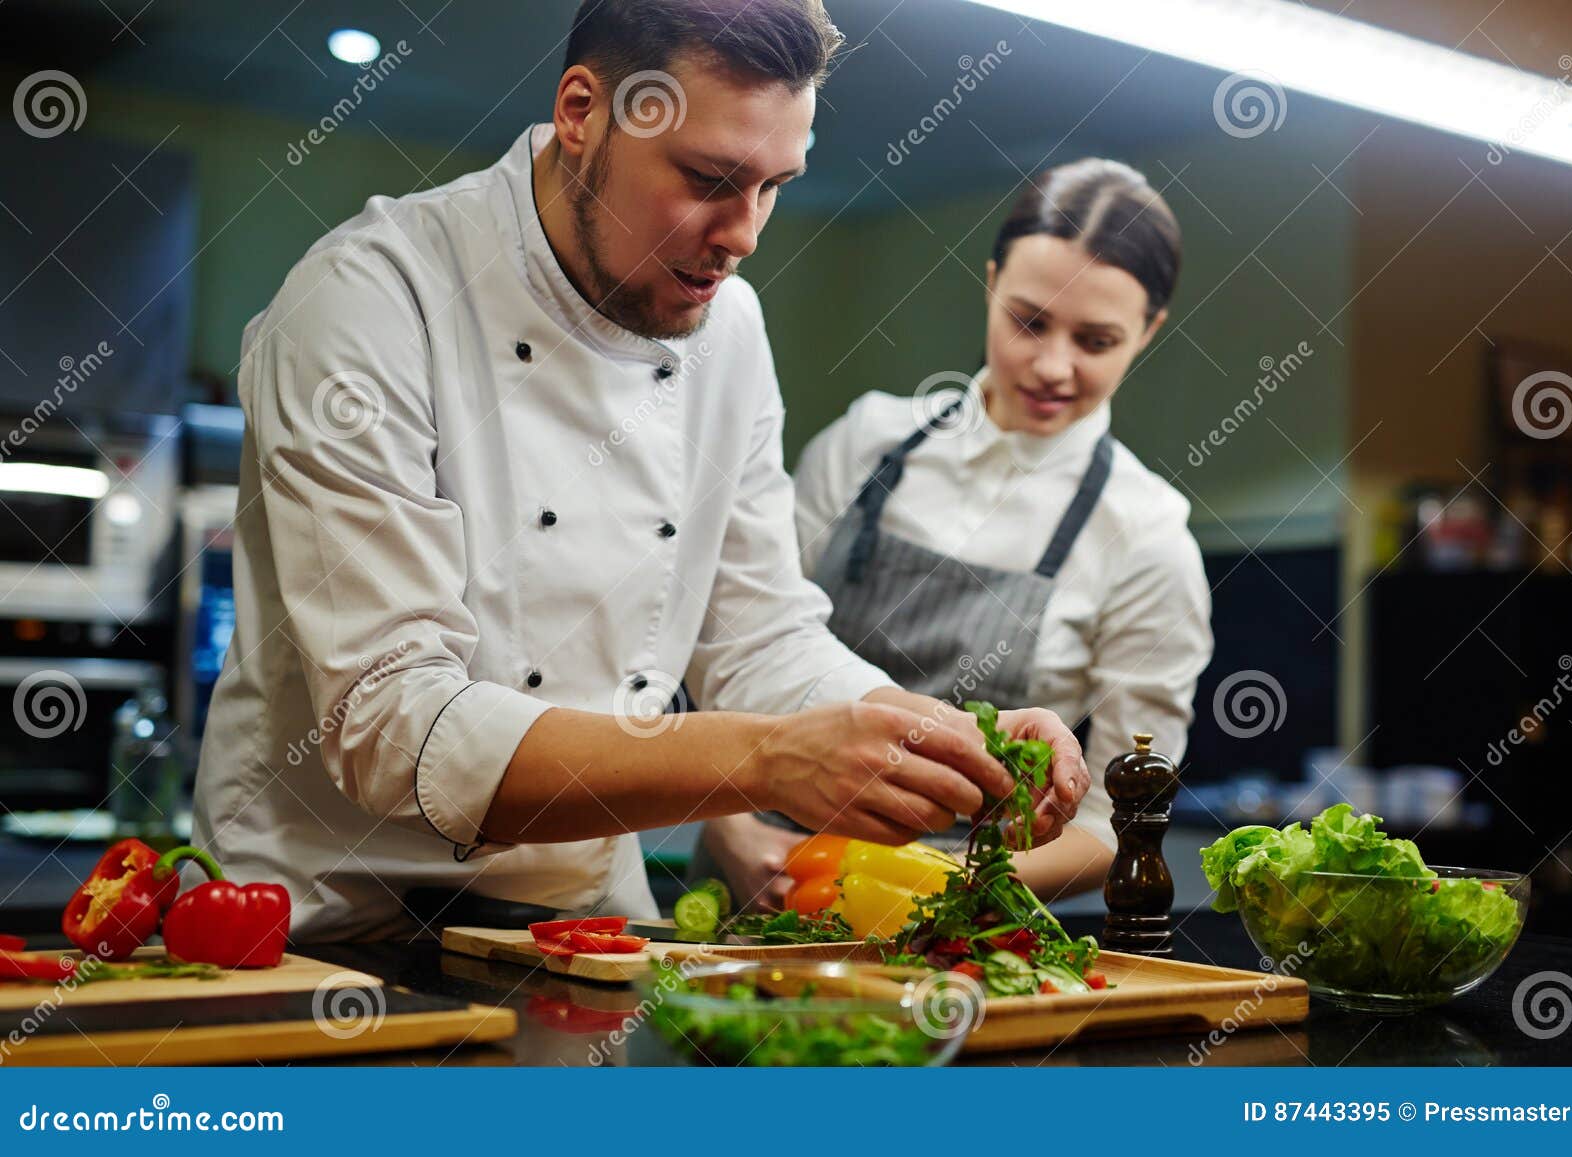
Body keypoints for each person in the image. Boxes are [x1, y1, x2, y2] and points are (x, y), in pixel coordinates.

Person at [191, 0, 1090, 941]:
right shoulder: (370, 301)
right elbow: (392, 724)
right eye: (710, 179)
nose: (744, 235)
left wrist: (950, 739)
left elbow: (762, 637)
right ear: (582, 112)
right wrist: (767, 758)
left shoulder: (727, 327)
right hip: (324, 924)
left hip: (579, 923)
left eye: (774, 187)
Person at [701, 159, 1214, 909]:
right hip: (759, 885)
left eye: (1096, 340)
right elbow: (739, 648)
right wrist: (732, 831)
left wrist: (930, 892)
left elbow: (1117, 821)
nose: (1053, 366)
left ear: (1148, 331)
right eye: (1029, 321)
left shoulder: (1147, 537)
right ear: (991, 283)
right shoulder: (865, 445)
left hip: (959, 924)